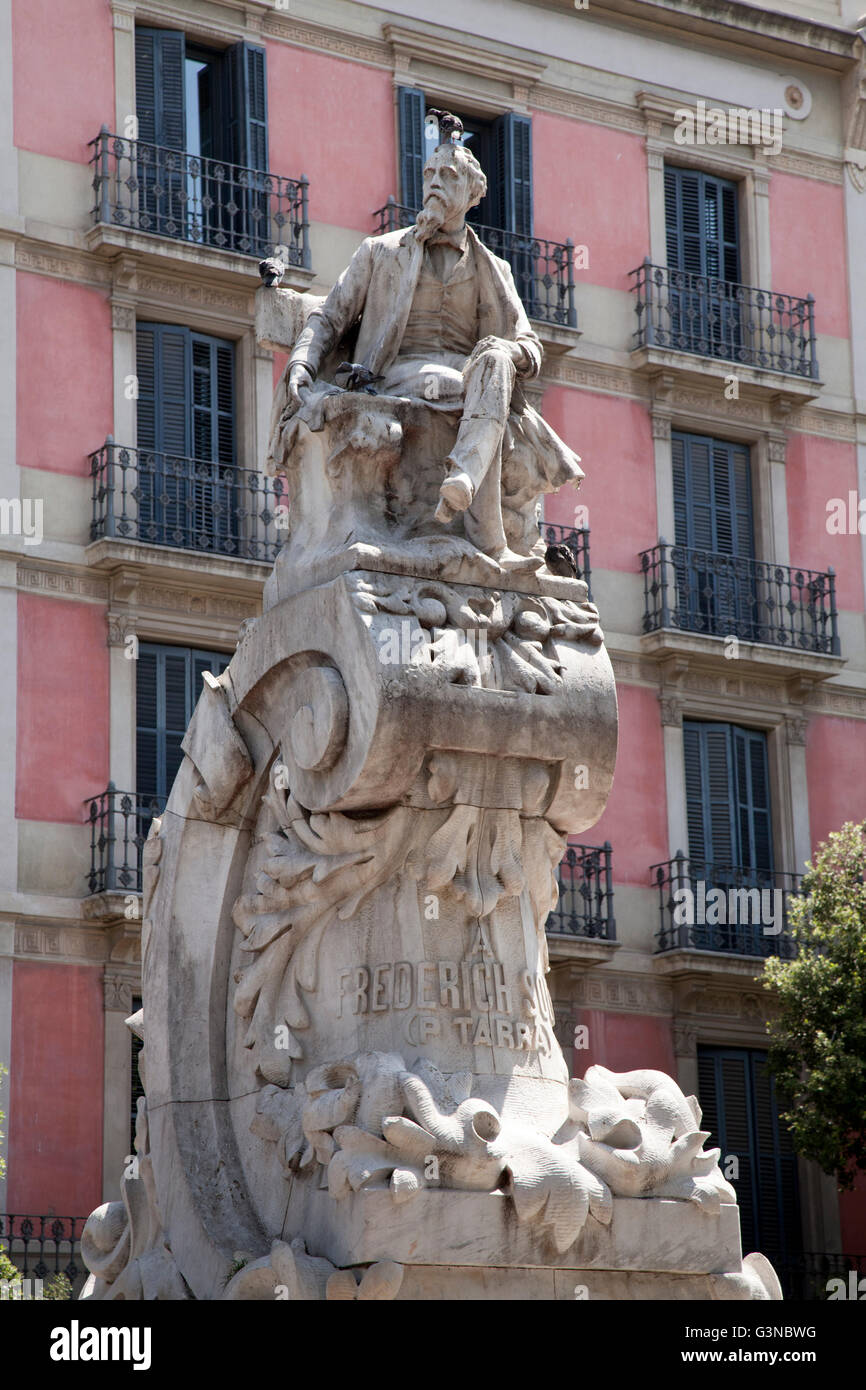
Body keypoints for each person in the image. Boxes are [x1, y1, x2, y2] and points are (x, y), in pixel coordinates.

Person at [283, 121, 581, 563]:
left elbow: (530, 345)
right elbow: (330, 316)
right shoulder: (381, 252)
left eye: (448, 176)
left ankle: (464, 484)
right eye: (429, 175)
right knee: (489, 381)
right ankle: (489, 538)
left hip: (474, 380)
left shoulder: (494, 269)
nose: (435, 183)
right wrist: (302, 365)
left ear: (473, 193)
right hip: (398, 377)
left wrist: (506, 350)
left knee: (495, 361)